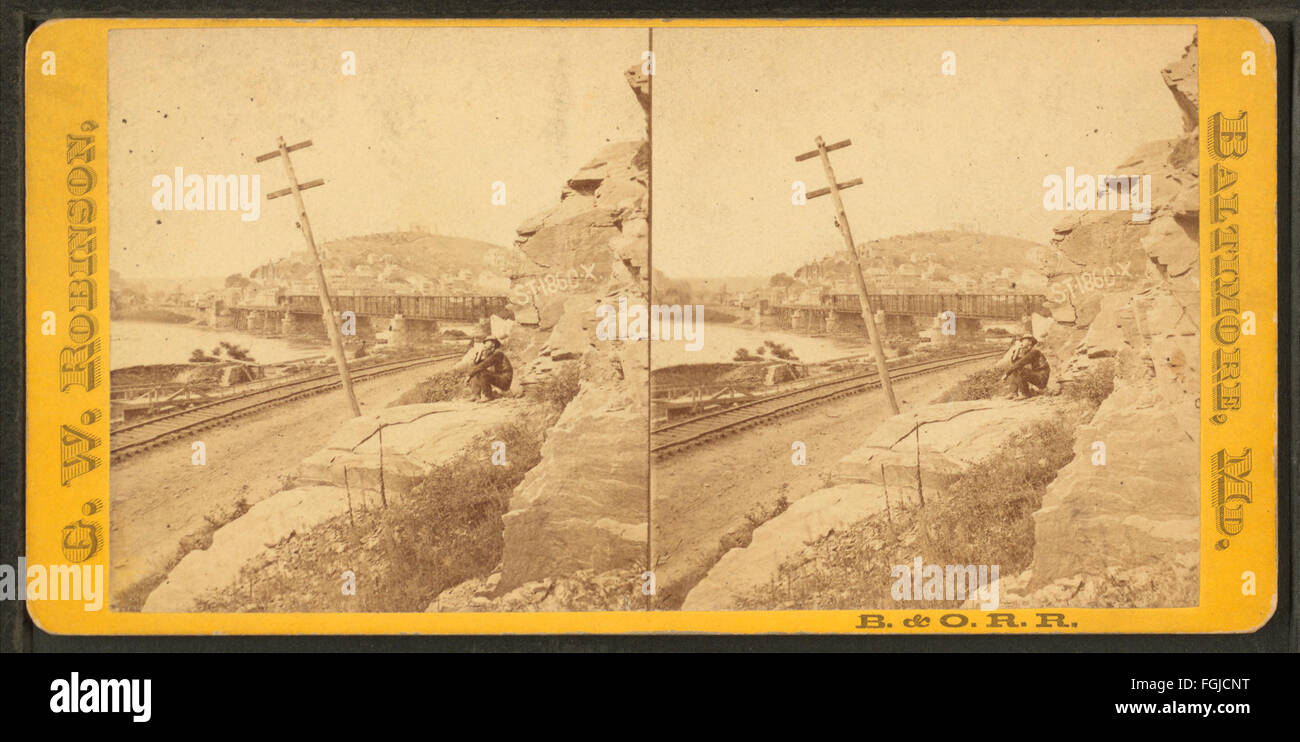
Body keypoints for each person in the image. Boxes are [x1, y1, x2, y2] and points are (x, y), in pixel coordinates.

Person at [1002, 335, 1050, 399]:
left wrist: (1007, 373)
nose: (1021, 342)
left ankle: (1025, 394)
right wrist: (1017, 349)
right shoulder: (1028, 352)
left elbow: (1020, 363)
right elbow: (1014, 362)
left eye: (1024, 340)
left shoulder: (1034, 351)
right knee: (1015, 368)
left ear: (1030, 342)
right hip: (1037, 375)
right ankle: (1013, 393)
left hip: (1041, 377)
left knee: (1018, 369)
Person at [466, 337, 513, 401]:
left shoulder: (498, 353)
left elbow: (484, 365)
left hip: (505, 380)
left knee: (482, 372)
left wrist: (469, 375)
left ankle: (488, 396)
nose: (484, 345)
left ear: (493, 344)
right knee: (477, 370)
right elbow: (476, 364)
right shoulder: (491, 354)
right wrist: (480, 352)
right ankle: (476, 394)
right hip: (499, 377)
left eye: (486, 343)